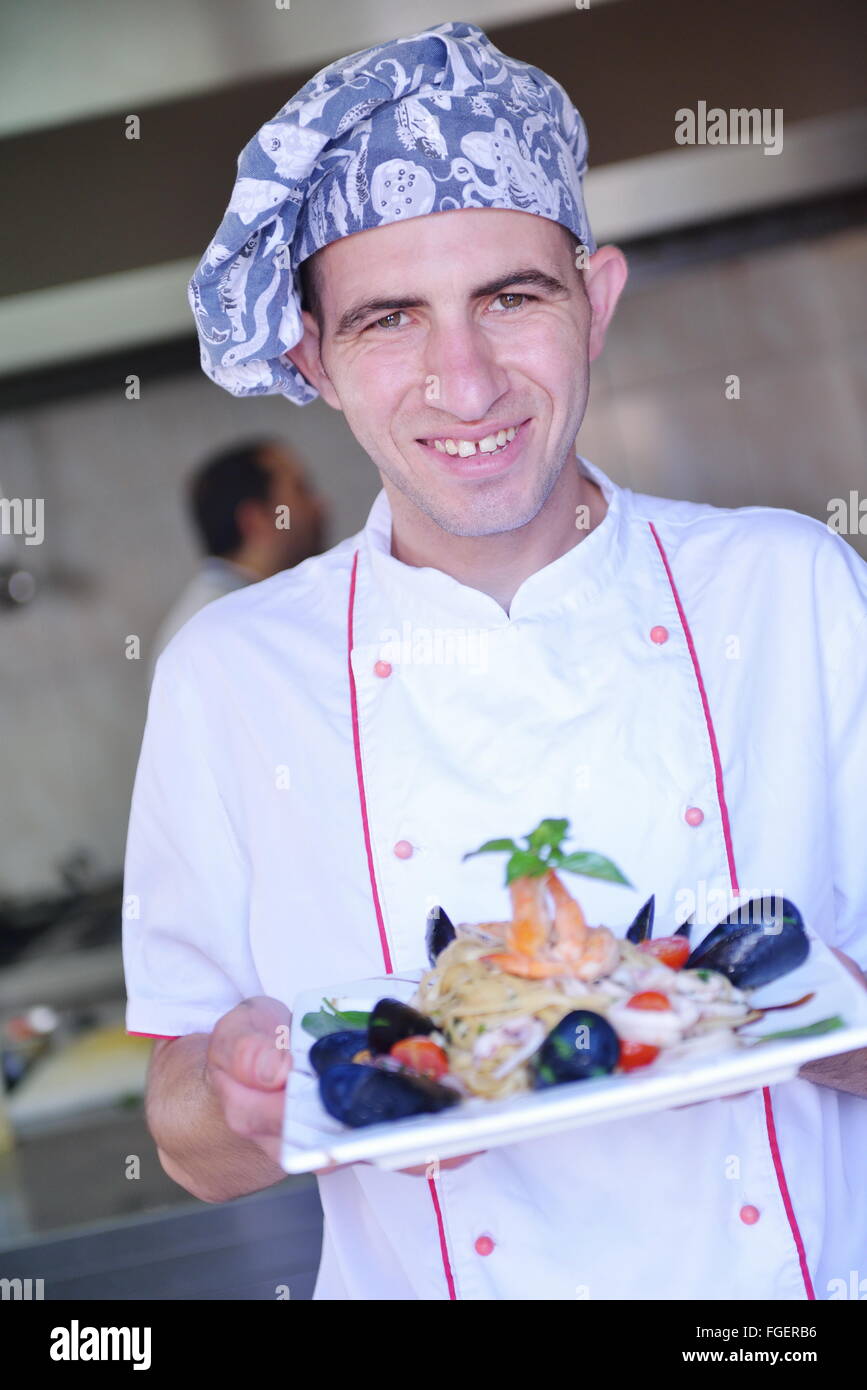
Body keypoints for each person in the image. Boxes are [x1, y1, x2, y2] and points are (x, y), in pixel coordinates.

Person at [123, 22, 867, 1300]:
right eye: (389, 320)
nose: (464, 385)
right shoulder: (229, 675)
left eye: (511, 299)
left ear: (598, 300)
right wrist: (231, 1084)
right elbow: (190, 1144)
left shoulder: (793, 585)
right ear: (313, 359)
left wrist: (808, 1018)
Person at [148, 438, 327, 678]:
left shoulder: (228, 614)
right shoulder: (218, 631)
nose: (320, 505)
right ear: (255, 520)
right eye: (301, 489)